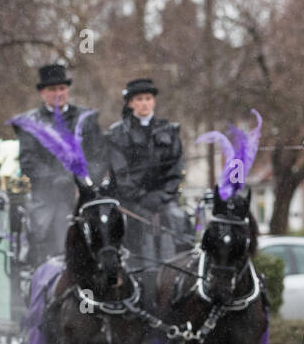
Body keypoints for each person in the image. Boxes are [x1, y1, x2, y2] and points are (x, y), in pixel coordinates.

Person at [13, 63, 108, 267]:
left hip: (84, 191)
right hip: (49, 195)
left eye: (62, 88)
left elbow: (98, 156)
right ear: (42, 93)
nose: (58, 94)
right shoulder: (31, 124)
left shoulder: (86, 119)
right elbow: (29, 160)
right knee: (50, 226)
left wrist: (85, 179)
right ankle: (45, 264)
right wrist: (55, 179)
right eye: (52, 89)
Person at [104, 77, 189, 269]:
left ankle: (173, 271)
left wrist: (162, 195)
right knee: (137, 228)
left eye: (148, 98)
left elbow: (176, 168)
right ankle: (140, 271)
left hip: (164, 201)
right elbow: (121, 173)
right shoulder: (117, 134)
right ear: (130, 103)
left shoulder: (170, 131)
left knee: (177, 220)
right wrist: (141, 197)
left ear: (154, 101)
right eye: (139, 99)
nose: (144, 103)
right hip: (130, 202)